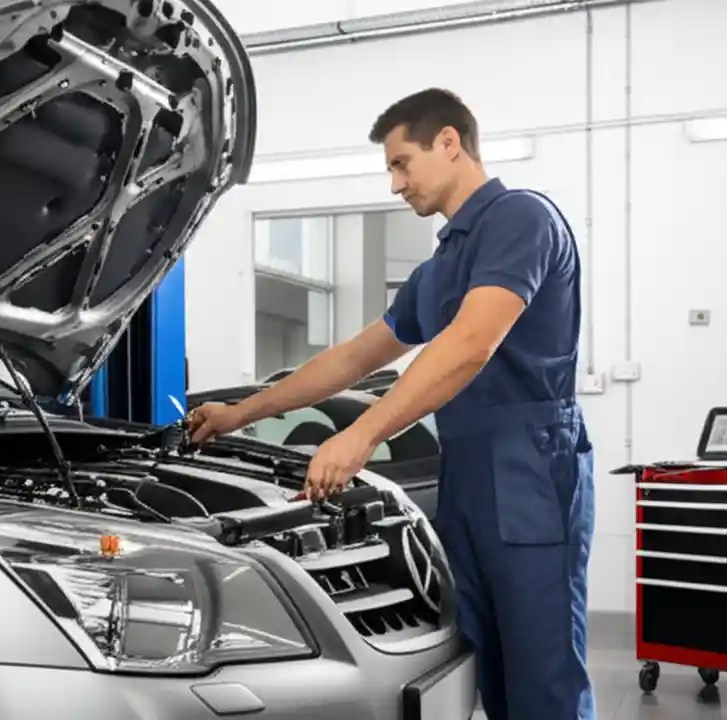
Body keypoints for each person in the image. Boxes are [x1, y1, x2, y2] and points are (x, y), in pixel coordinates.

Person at [190, 87, 596, 719]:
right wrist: (239, 413)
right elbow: (354, 358)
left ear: (450, 143)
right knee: (490, 668)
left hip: (532, 469)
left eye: (401, 163)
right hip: (466, 465)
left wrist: (363, 435)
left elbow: (469, 345)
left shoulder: (522, 218)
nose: (394, 184)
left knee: (544, 673)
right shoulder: (439, 266)